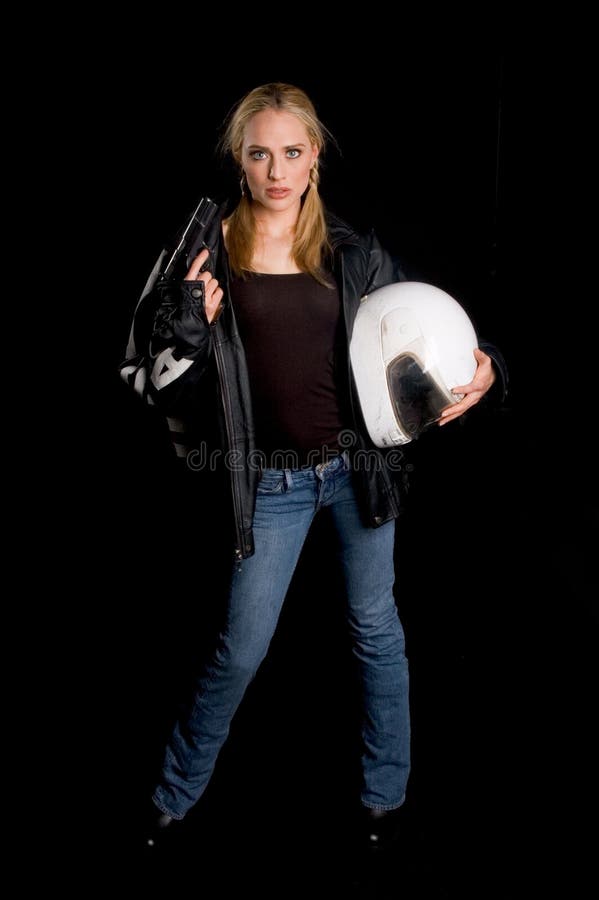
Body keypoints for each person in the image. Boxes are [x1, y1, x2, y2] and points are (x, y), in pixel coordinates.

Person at [120, 82, 507, 854]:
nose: (276, 169)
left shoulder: (350, 252)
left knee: (376, 631)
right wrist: (189, 333)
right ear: (240, 158)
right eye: (259, 152)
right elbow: (147, 377)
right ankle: (175, 793)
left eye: (291, 152)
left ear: (313, 158)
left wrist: (488, 363)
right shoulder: (203, 258)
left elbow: (423, 325)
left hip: (354, 471)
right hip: (270, 484)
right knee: (241, 649)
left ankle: (383, 797)